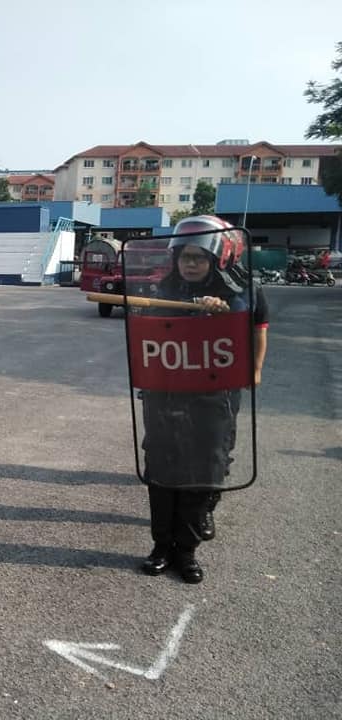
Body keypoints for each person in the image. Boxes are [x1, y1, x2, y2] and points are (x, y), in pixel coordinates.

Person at [140, 215, 268, 584]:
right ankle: (161, 546)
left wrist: (253, 368)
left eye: (199, 257)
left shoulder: (244, 292)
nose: (191, 264)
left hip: (216, 396)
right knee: (162, 469)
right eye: (185, 257)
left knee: (205, 467)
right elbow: (147, 338)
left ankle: (187, 550)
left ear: (219, 258)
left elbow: (258, 330)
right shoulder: (163, 292)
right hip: (165, 394)